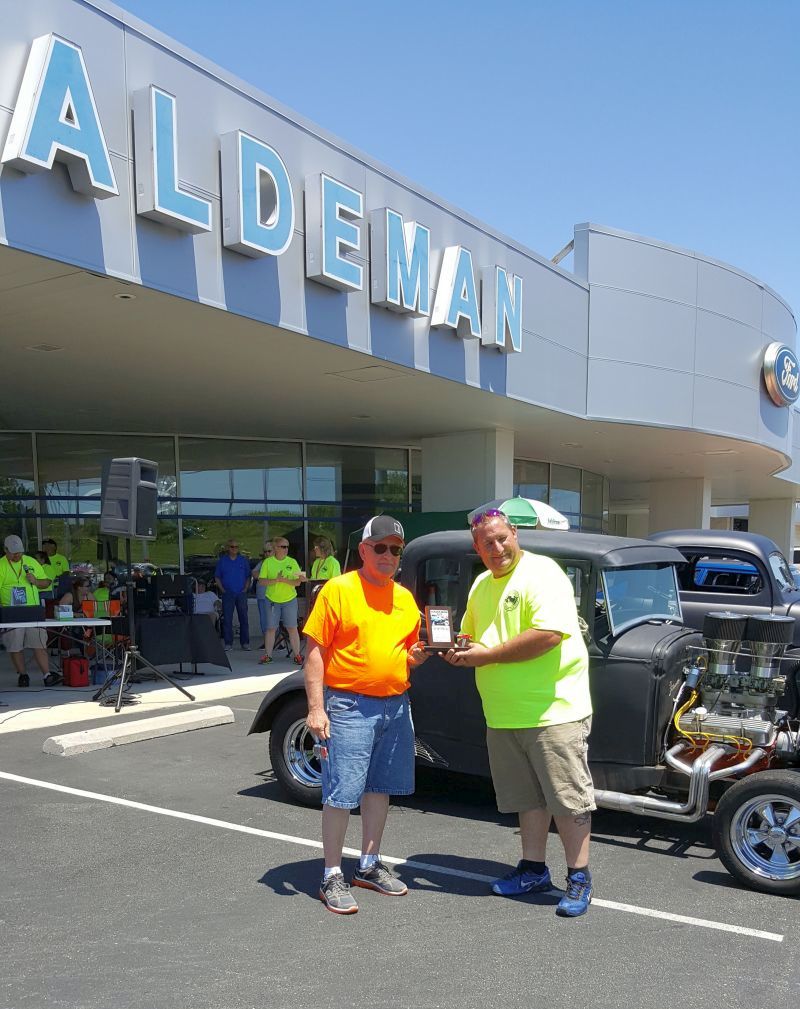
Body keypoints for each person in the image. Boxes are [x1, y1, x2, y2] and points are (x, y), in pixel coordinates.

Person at [445, 509, 594, 918]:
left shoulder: (543, 573)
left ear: (514, 533)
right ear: (476, 548)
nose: (497, 549)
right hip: (504, 713)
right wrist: (456, 648)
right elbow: (472, 635)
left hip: (553, 712)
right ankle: (533, 870)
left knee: (567, 800)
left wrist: (486, 655)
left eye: (501, 538)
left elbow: (547, 635)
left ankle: (578, 877)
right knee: (528, 799)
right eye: (486, 544)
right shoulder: (480, 584)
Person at [303, 515, 428, 914]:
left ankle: (369, 865)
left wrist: (420, 656)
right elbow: (315, 652)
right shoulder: (338, 590)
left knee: (380, 788)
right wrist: (316, 708)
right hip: (348, 706)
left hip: (396, 705)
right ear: (363, 550)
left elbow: (406, 653)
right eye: (381, 547)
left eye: (395, 549)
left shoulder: (405, 599)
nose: (388, 555)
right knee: (341, 793)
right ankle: (331, 874)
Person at [0, 534, 53, 687]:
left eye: (20, 552)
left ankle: (47, 675)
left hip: (32, 611)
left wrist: (35, 581)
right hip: (11, 612)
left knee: (39, 643)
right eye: (14, 552)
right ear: (6, 550)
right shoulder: (1, 565)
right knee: (14, 645)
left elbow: (47, 582)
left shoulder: (31, 562)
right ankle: (23, 675)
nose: (17, 555)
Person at [258, 538, 305, 665]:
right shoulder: (268, 562)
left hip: (289, 599)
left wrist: (285, 580)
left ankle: (297, 656)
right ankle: (268, 656)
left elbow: (298, 582)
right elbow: (261, 581)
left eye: (287, 547)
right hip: (272, 600)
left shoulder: (292, 562)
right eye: (283, 547)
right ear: (276, 548)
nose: (286, 549)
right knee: (271, 628)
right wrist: (276, 580)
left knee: (292, 627)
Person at [214, 539, 252, 652]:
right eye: (232, 547)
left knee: (244, 618)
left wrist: (245, 589)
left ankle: (245, 643)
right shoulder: (222, 561)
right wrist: (223, 590)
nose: (234, 549)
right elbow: (217, 577)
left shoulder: (243, 560)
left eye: (236, 547)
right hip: (228, 594)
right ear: (227, 548)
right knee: (227, 619)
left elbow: (248, 576)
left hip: (241, 593)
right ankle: (228, 643)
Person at [251, 542, 274, 638]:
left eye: (269, 551)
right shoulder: (262, 563)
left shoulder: (278, 562)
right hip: (262, 596)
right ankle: (266, 641)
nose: (267, 554)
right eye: (265, 552)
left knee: (275, 620)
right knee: (264, 620)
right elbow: (254, 574)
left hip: (275, 596)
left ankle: (279, 642)